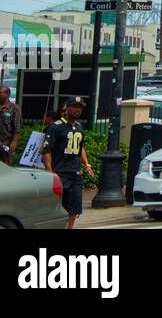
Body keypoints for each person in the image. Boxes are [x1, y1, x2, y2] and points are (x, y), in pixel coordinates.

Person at [42, 97, 94, 229]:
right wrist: (50, 172)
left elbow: (80, 147)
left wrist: (86, 164)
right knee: (61, 205)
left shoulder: (79, 127)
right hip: (60, 172)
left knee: (75, 206)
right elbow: (46, 150)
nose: (78, 110)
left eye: (80, 107)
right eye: (75, 107)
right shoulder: (56, 127)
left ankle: (69, 227)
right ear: (67, 108)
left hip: (75, 173)